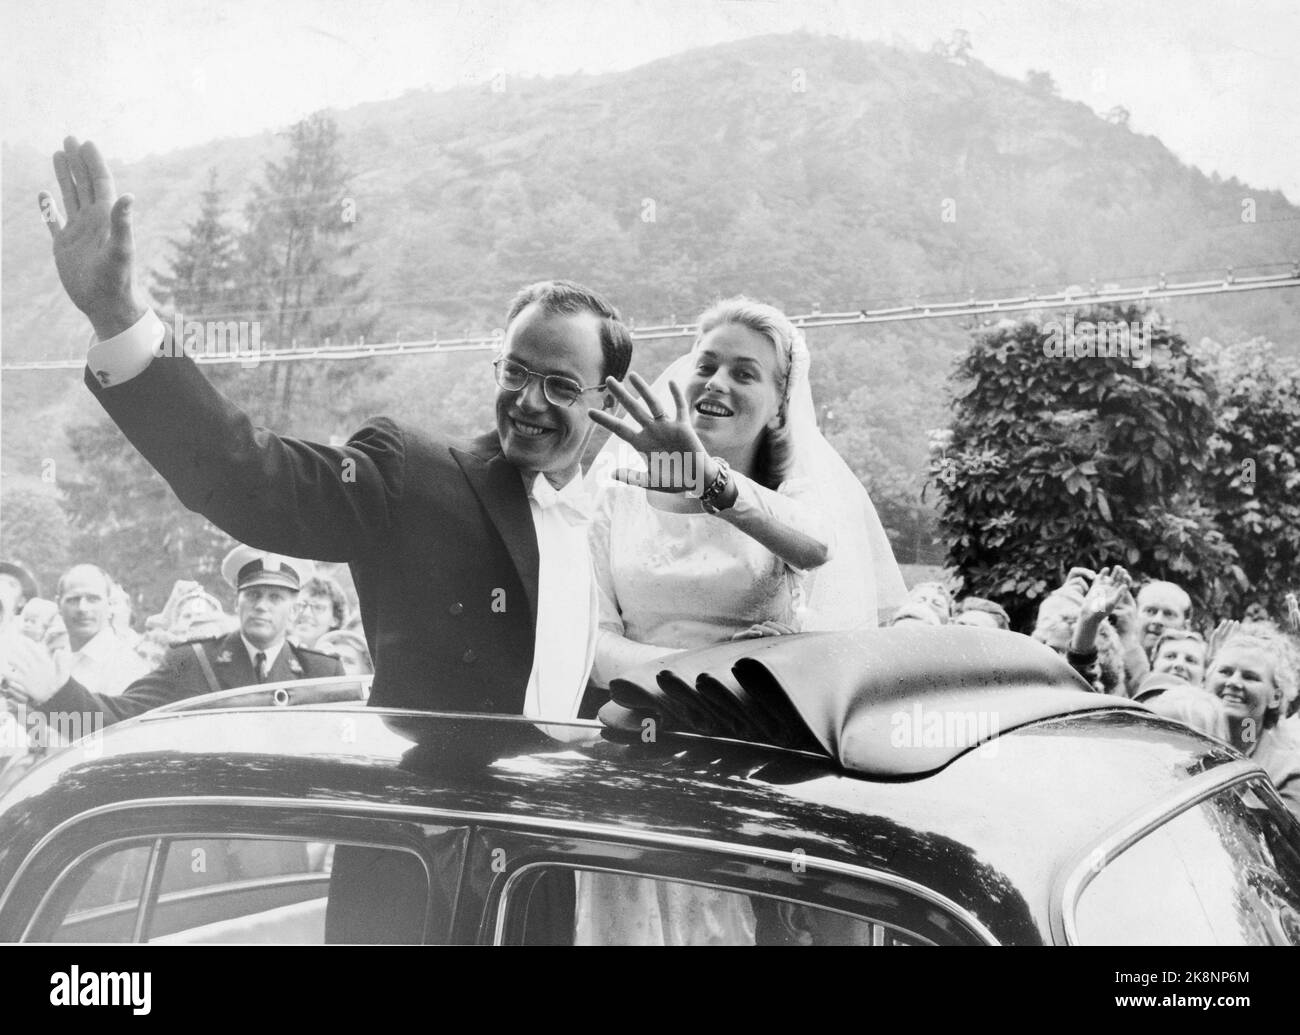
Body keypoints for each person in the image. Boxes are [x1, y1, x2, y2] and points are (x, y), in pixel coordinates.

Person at [38, 138, 632, 718]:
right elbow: (244, 470)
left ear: (609, 399)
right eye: (515, 372)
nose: (528, 401)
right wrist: (116, 315)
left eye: (559, 385)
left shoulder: (614, 520)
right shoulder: (417, 474)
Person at [579, 297, 905, 944]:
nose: (718, 382)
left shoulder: (797, 498)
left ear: (782, 404)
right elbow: (591, 638)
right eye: (708, 364)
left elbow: (814, 545)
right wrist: (695, 687)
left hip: (755, 767)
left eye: (745, 372)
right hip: (639, 754)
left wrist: (708, 479)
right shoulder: (616, 489)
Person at [5, 546, 344, 728]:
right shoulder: (191, 662)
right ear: (237, 600)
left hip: (283, 841)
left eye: (275, 598)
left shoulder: (321, 674)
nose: (262, 607)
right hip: (205, 835)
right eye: (253, 596)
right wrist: (57, 696)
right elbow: (119, 719)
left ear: (293, 607)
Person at [1204, 629, 1300, 820]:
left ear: (1275, 697)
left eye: (1249, 677)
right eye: (1225, 672)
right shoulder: (1182, 736)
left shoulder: (1288, 771)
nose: (1233, 682)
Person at [54, 563, 149, 697]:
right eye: (73, 599)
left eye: (93, 599)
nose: (83, 608)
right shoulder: (52, 657)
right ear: (58, 605)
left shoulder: (126, 665)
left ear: (110, 605)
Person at [292, 575, 347, 649]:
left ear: (335, 620)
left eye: (318, 608)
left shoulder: (335, 658)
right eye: (302, 605)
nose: (306, 613)